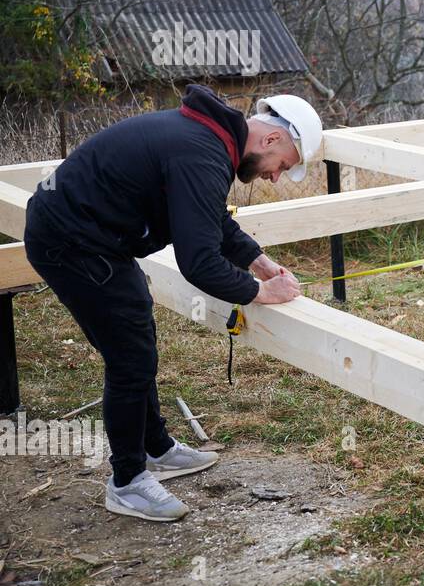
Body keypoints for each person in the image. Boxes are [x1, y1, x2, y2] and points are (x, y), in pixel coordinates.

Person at [23, 84, 323, 521]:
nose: (274, 177)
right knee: (129, 357)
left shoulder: (206, 138)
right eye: (282, 166)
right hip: (72, 242)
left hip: (91, 235)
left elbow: (211, 218)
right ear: (272, 139)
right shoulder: (202, 153)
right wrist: (260, 293)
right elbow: (199, 263)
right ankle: (127, 482)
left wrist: (260, 263)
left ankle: (156, 447)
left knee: (135, 336)